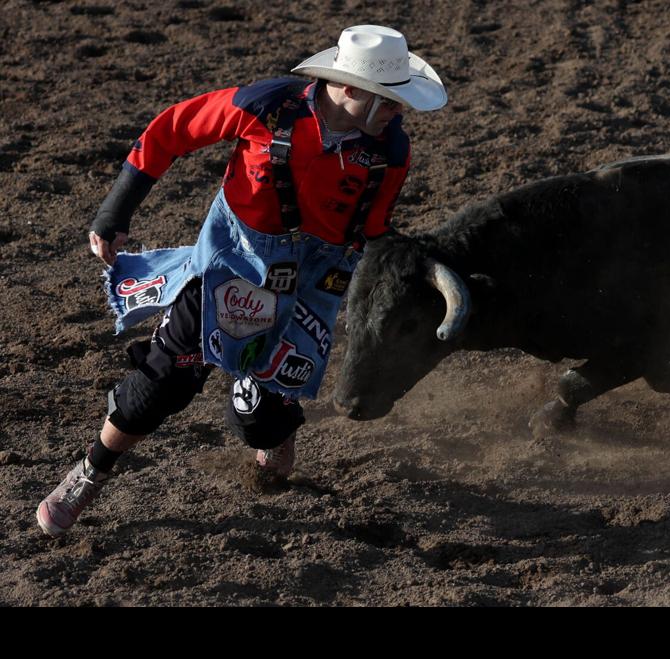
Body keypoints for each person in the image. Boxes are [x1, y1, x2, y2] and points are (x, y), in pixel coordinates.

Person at [36, 25, 448, 537]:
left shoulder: (391, 149)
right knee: (165, 382)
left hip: (313, 282)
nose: (397, 112)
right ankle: (90, 473)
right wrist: (114, 210)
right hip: (233, 262)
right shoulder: (265, 106)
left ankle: (274, 435)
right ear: (353, 91)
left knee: (261, 415)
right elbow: (170, 131)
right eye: (389, 101)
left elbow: (374, 224)